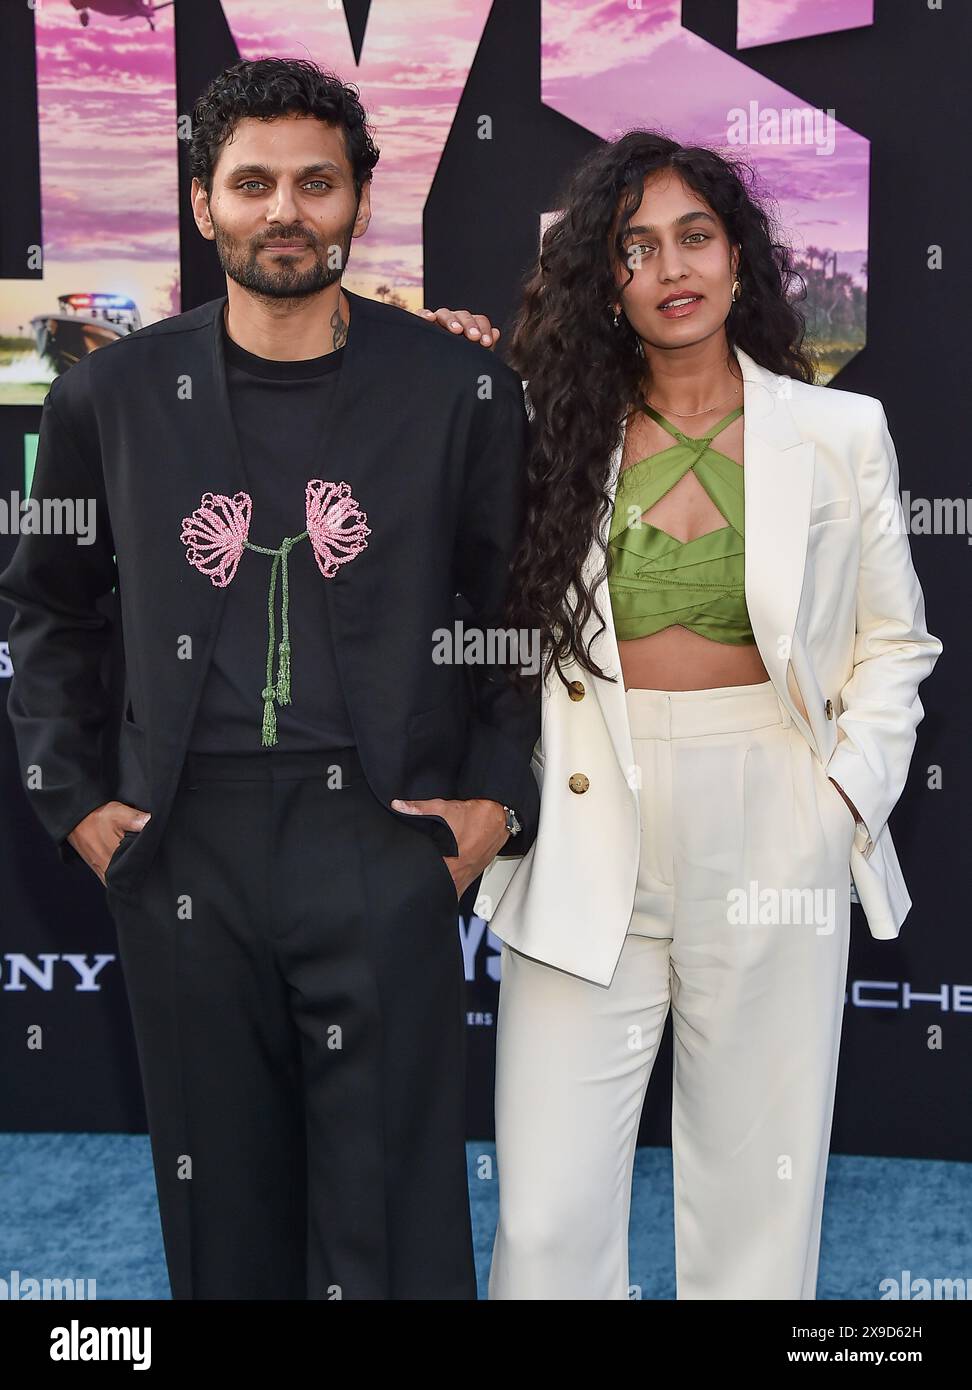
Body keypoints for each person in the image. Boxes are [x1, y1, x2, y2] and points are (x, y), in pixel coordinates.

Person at [0, 57, 539, 1300]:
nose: (283, 209)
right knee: (221, 1215)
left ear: (359, 201)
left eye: (315, 182)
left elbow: (517, 613)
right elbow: (46, 610)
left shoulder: (453, 388)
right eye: (252, 184)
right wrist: (79, 805)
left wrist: (495, 801)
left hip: (385, 828)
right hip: (185, 836)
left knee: (396, 1216)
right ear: (204, 205)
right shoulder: (109, 396)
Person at [426, 130, 942, 1299]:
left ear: (739, 256)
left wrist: (841, 800)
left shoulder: (837, 432)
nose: (672, 267)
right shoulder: (541, 425)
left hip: (776, 810)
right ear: (603, 279)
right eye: (635, 247)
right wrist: (442, 358)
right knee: (548, 1220)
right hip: (584, 807)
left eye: (695, 237)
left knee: (759, 1207)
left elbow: (895, 642)